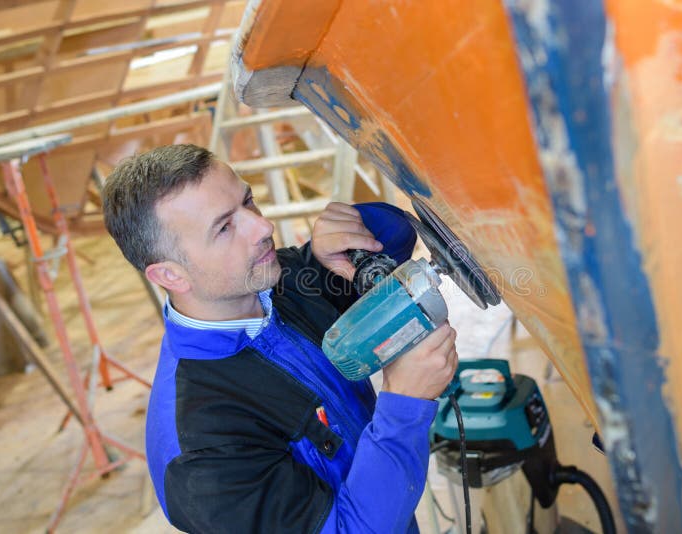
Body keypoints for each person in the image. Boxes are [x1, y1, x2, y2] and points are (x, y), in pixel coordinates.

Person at [102, 144, 458, 533]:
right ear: (170, 275)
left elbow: (396, 236)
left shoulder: (279, 281)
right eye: (224, 227)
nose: (263, 227)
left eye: (247, 202)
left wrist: (350, 227)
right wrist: (403, 404)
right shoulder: (200, 448)